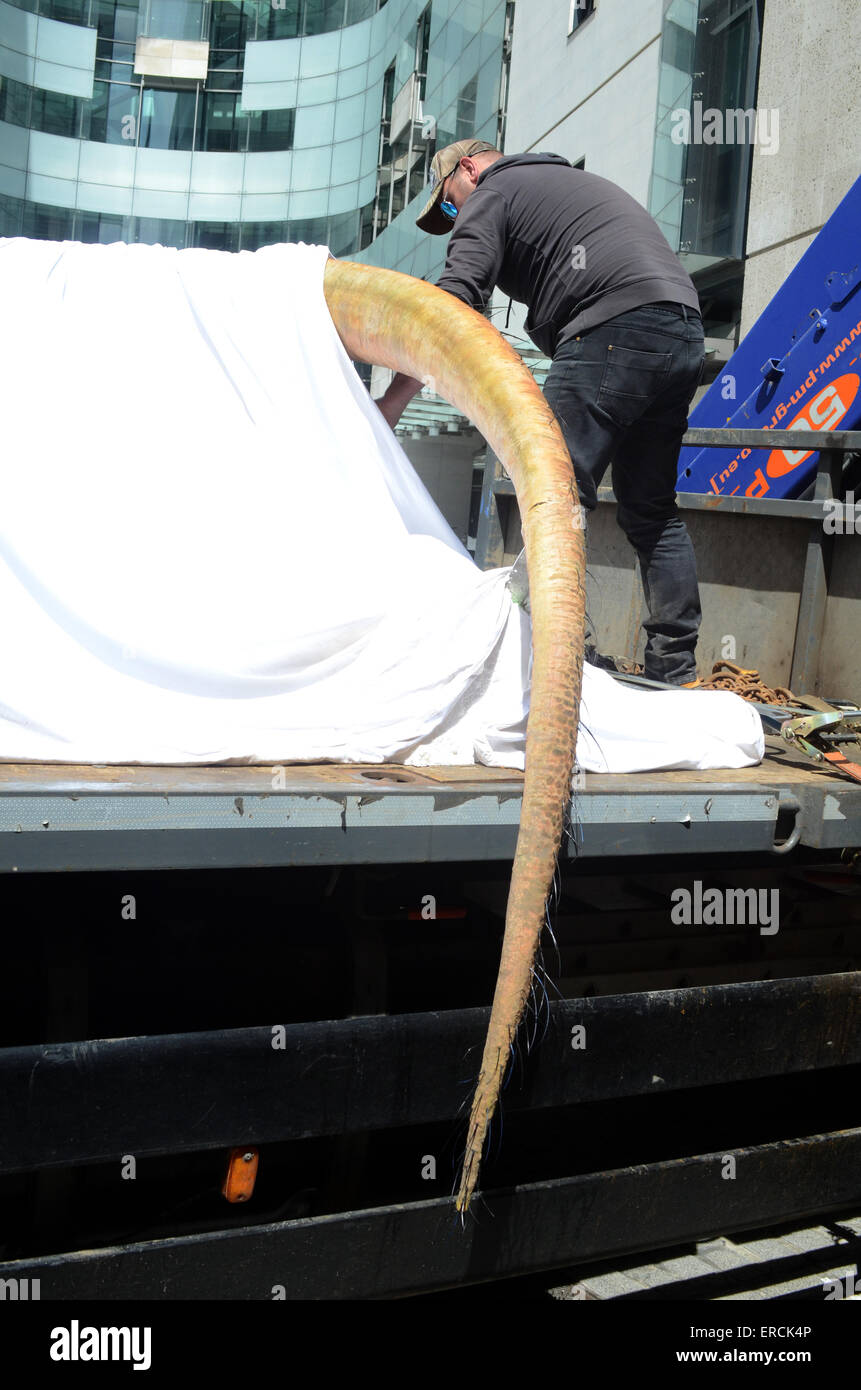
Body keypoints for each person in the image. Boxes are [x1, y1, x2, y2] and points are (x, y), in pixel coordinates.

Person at [375, 139, 705, 686]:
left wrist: (394, 400)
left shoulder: (494, 189)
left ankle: (548, 653)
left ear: (469, 168)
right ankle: (673, 670)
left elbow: (453, 300)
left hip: (612, 329)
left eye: (451, 203)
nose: (457, 214)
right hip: (683, 330)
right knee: (652, 511)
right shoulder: (568, 185)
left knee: (552, 489)